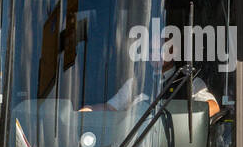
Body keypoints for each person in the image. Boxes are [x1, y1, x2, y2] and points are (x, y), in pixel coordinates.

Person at [81, 49, 220, 118]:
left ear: (173, 51)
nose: (156, 51)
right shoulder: (136, 83)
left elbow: (212, 107)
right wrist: (89, 110)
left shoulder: (190, 81)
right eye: (152, 48)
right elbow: (111, 108)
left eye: (162, 46)